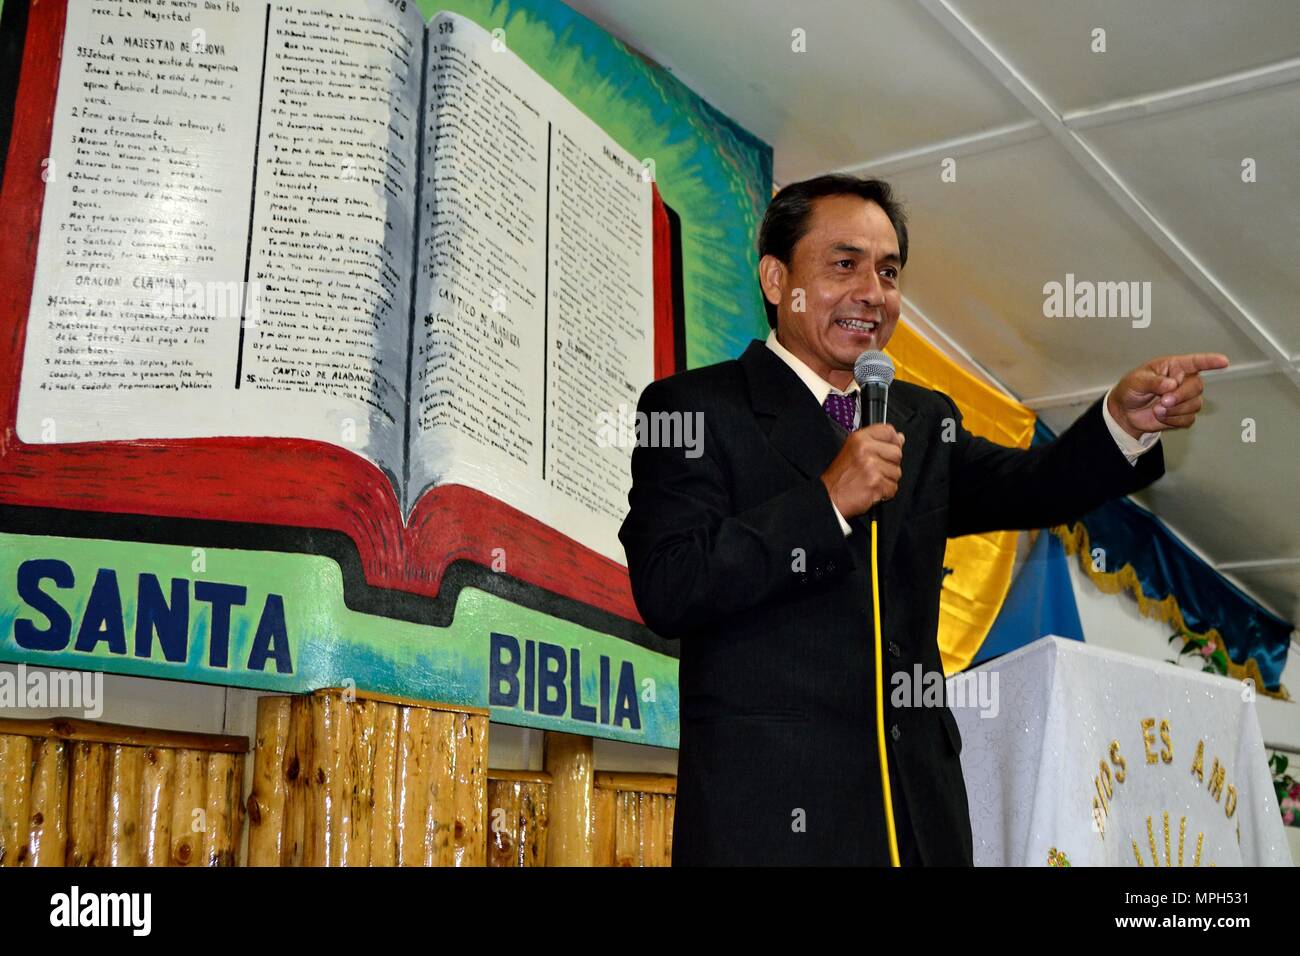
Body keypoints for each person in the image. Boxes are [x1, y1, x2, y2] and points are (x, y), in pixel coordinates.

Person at [617, 174, 1228, 866]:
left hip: (917, 817)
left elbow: (1035, 489)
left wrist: (1123, 424)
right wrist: (826, 501)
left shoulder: (920, 418)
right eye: (844, 265)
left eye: (888, 272)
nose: (871, 293)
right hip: (773, 818)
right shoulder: (695, 409)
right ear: (775, 277)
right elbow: (669, 584)